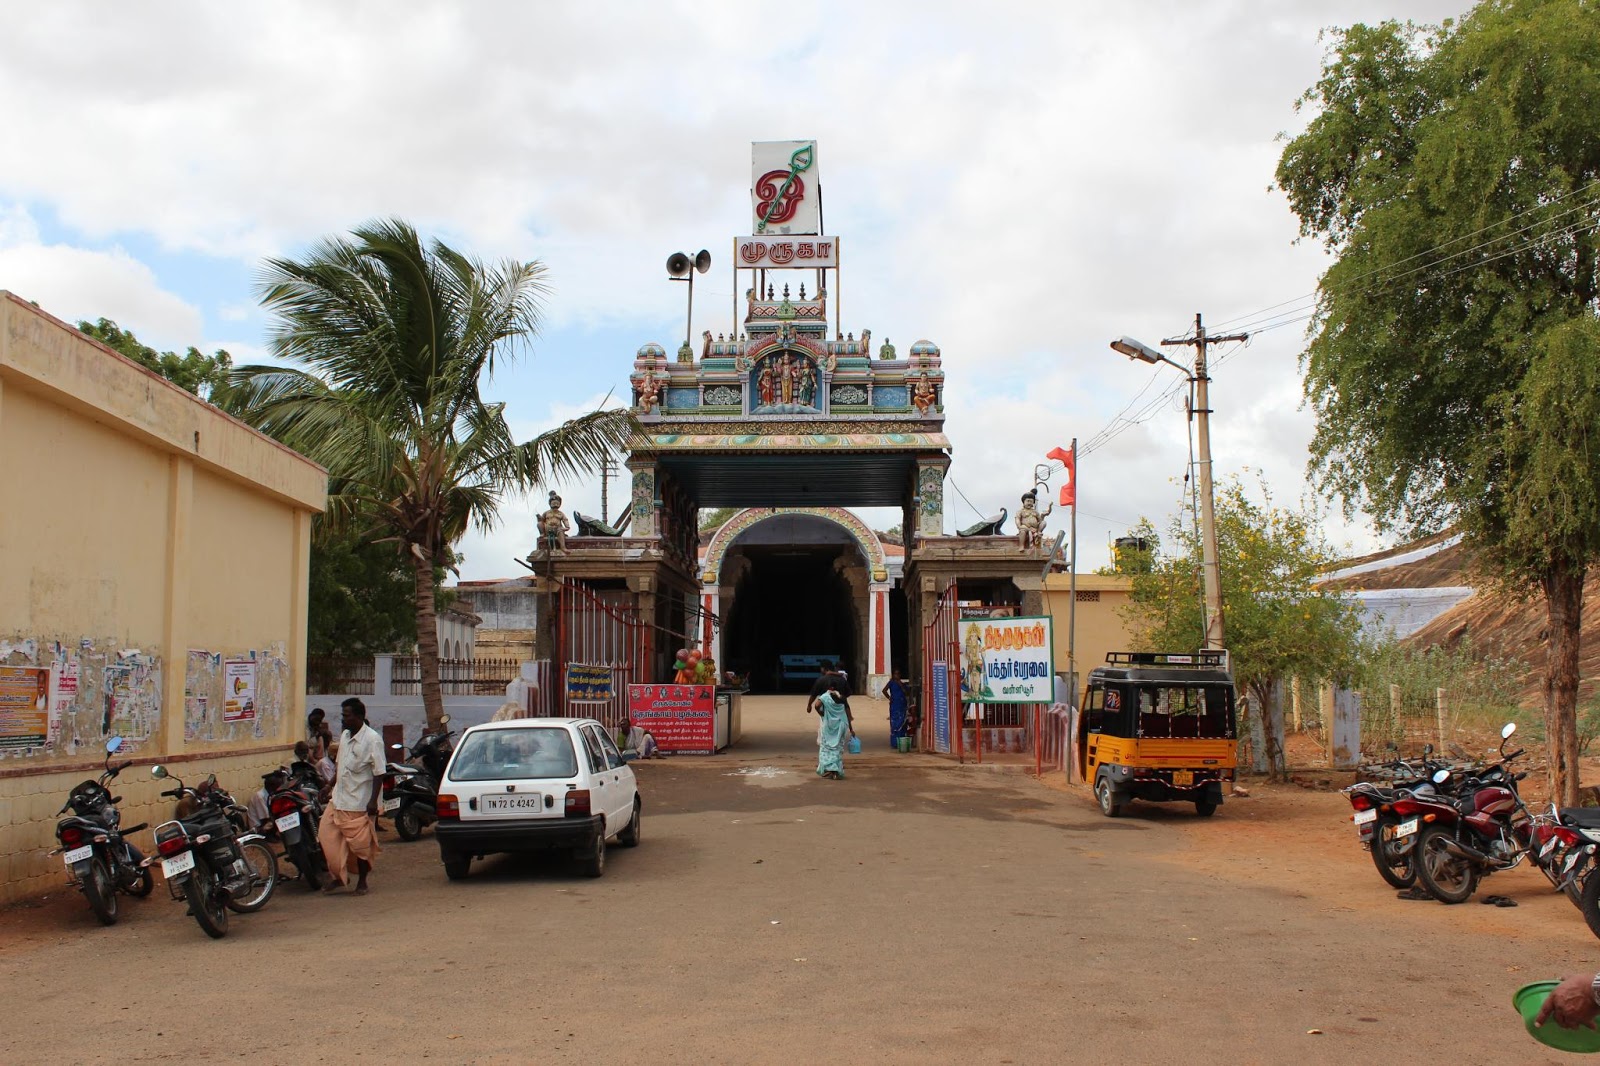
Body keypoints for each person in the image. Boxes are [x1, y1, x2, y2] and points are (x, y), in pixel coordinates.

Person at [318, 698, 386, 895]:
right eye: (343, 715)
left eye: (347, 715)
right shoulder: (346, 736)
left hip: (359, 804)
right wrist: (328, 786)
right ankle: (339, 877)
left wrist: (373, 801)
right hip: (338, 800)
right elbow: (341, 767)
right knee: (326, 838)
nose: (343, 719)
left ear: (359, 717)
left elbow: (379, 772)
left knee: (360, 847)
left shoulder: (373, 739)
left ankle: (362, 881)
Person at [811, 680, 855, 780]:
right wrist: (851, 729)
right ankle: (835, 771)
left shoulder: (825, 697)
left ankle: (829, 770)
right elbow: (848, 714)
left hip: (829, 726)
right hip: (841, 725)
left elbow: (817, 705)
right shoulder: (843, 698)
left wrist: (822, 714)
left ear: (829, 688)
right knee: (837, 748)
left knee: (827, 748)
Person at [883, 667, 909, 748]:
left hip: (901, 705)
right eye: (895, 674)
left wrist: (901, 684)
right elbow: (884, 690)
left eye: (898, 674)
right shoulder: (891, 682)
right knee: (894, 723)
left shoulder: (902, 684)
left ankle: (901, 741)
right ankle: (894, 742)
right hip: (894, 705)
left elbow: (906, 693)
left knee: (902, 722)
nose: (896, 675)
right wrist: (890, 698)